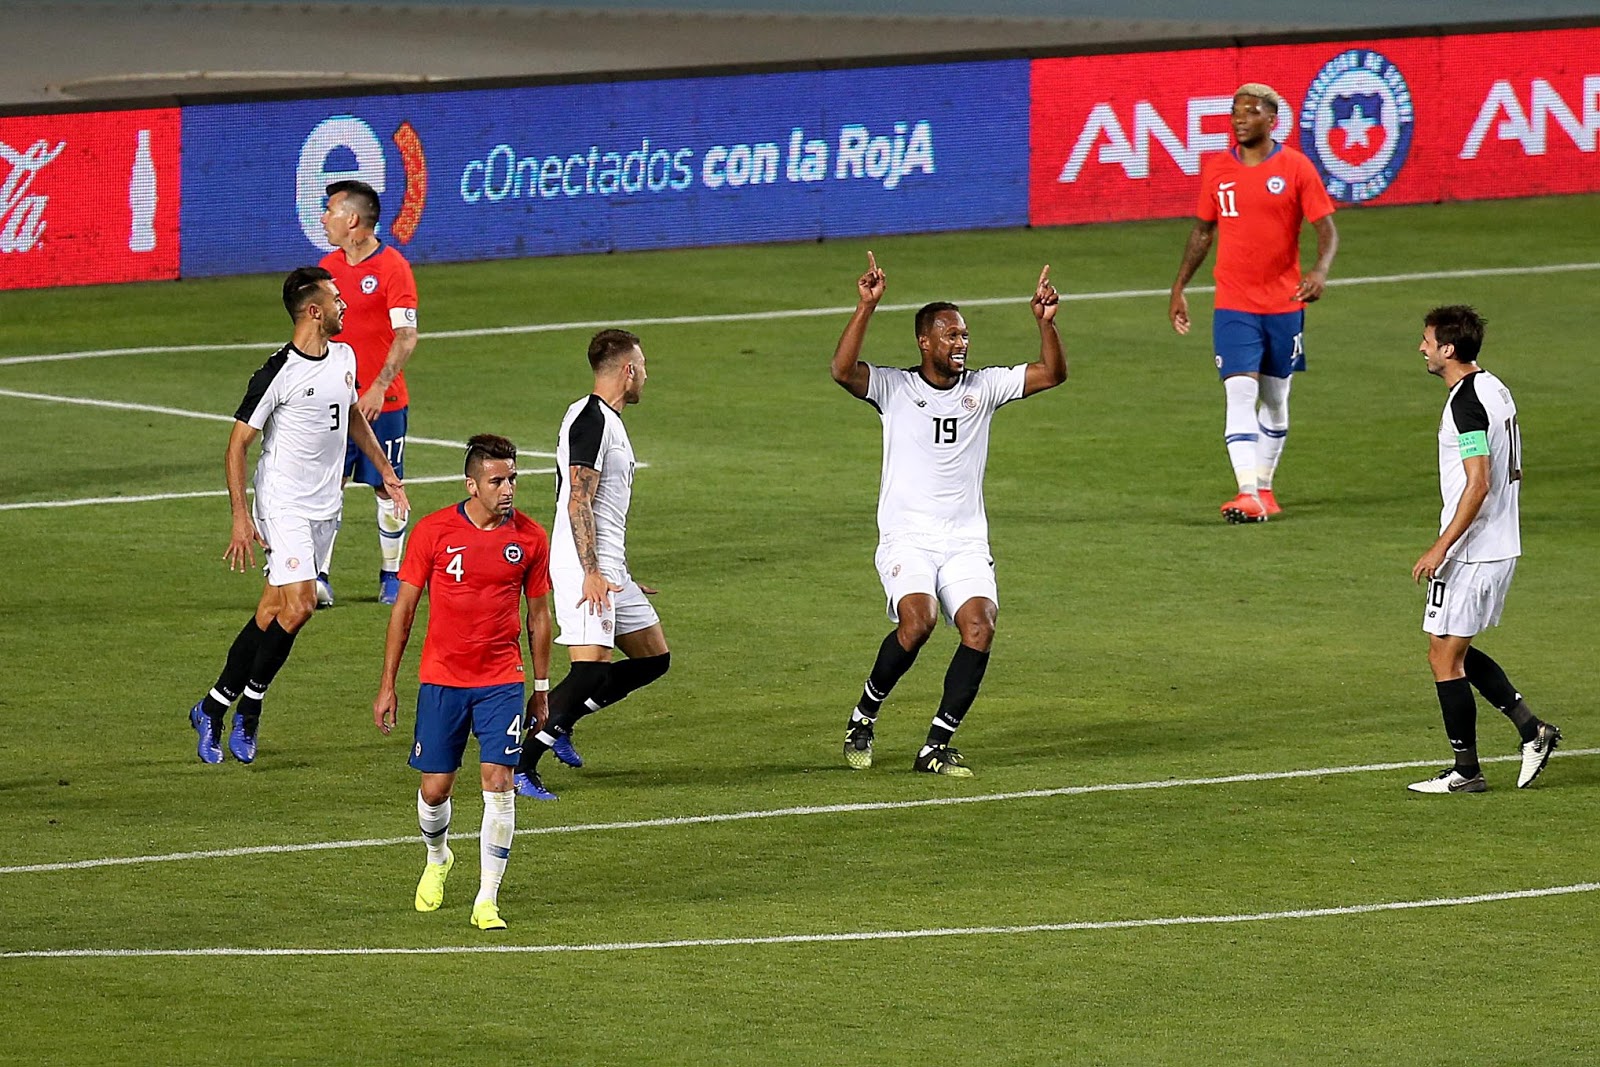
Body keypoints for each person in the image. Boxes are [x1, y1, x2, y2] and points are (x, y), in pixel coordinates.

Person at [832, 252, 1066, 776]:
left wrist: (1045, 325)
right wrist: (865, 307)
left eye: (964, 335)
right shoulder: (895, 390)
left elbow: (1052, 372)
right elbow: (842, 370)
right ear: (924, 341)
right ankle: (863, 715)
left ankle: (935, 744)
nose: (961, 343)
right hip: (907, 537)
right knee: (919, 623)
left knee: (979, 627)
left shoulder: (982, 389)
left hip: (964, 539)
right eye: (950, 335)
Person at [187, 266, 408, 764]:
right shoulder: (277, 373)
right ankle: (250, 710)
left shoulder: (345, 357)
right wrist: (242, 518)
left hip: (325, 504)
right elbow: (237, 446)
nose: (343, 304)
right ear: (314, 311)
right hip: (283, 502)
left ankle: (211, 707)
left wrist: (386, 472)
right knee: (304, 603)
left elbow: (351, 414)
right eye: (335, 298)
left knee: (271, 613)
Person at [374, 434, 553, 930]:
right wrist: (388, 684)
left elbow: (539, 618)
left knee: (498, 784)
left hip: (501, 680)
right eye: (498, 480)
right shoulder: (433, 532)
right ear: (471, 484)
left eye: (513, 478)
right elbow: (404, 612)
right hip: (442, 681)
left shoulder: (531, 539)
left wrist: (541, 689)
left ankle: (487, 900)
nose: (509, 488)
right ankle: (438, 857)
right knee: (435, 790)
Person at [1406, 305, 1560, 794]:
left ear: (1448, 349)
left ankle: (1466, 771)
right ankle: (1531, 729)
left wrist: (1440, 547)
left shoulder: (1465, 403)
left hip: (1473, 549)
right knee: (1452, 650)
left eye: (1428, 340)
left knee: (1443, 658)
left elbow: (1478, 483)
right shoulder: (1493, 386)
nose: (1423, 347)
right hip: (1498, 543)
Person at [1169, 83, 1339, 523]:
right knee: (1238, 392)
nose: (1239, 119)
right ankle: (1248, 492)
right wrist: (1179, 287)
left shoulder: (1297, 168)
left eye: (1250, 111)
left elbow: (1327, 230)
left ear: (1272, 119)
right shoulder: (1217, 170)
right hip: (1234, 302)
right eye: (1235, 112)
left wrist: (1319, 271)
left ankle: (1264, 485)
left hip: (1283, 303)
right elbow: (1203, 231)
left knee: (1276, 398)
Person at [513, 329, 671, 801]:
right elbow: (578, 499)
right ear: (627, 370)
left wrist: (615, 568)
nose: (646, 374)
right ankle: (522, 764)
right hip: (583, 568)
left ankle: (561, 721)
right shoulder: (591, 419)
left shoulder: (609, 421)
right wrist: (590, 571)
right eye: (642, 366)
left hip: (608, 566)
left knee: (653, 659)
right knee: (589, 673)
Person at [317, 178, 420, 606]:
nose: (324, 218)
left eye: (330, 211)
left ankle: (391, 574)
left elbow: (407, 335)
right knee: (328, 485)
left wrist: (378, 386)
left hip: (384, 403)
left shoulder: (392, 267)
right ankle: (318, 576)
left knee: (386, 486)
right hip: (335, 402)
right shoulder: (326, 269)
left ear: (353, 220)